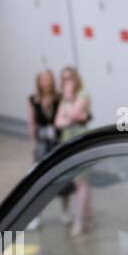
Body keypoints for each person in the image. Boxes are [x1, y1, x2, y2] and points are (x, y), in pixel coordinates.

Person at [54, 66, 93, 237]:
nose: (67, 81)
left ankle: (79, 221)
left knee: (82, 182)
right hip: (68, 141)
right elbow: (59, 122)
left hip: (81, 142)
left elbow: (75, 114)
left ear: (76, 79)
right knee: (79, 183)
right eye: (64, 78)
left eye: (70, 77)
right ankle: (87, 217)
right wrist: (73, 115)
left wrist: (70, 109)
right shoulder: (64, 98)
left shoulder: (82, 94)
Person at [26, 69, 63, 230]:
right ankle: (36, 215)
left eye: (48, 79)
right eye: (43, 80)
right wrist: (33, 142)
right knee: (37, 179)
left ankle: (65, 211)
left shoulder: (59, 98)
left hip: (57, 141)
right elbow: (32, 122)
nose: (46, 83)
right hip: (42, 143)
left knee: (62, 177)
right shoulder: (33, 100)